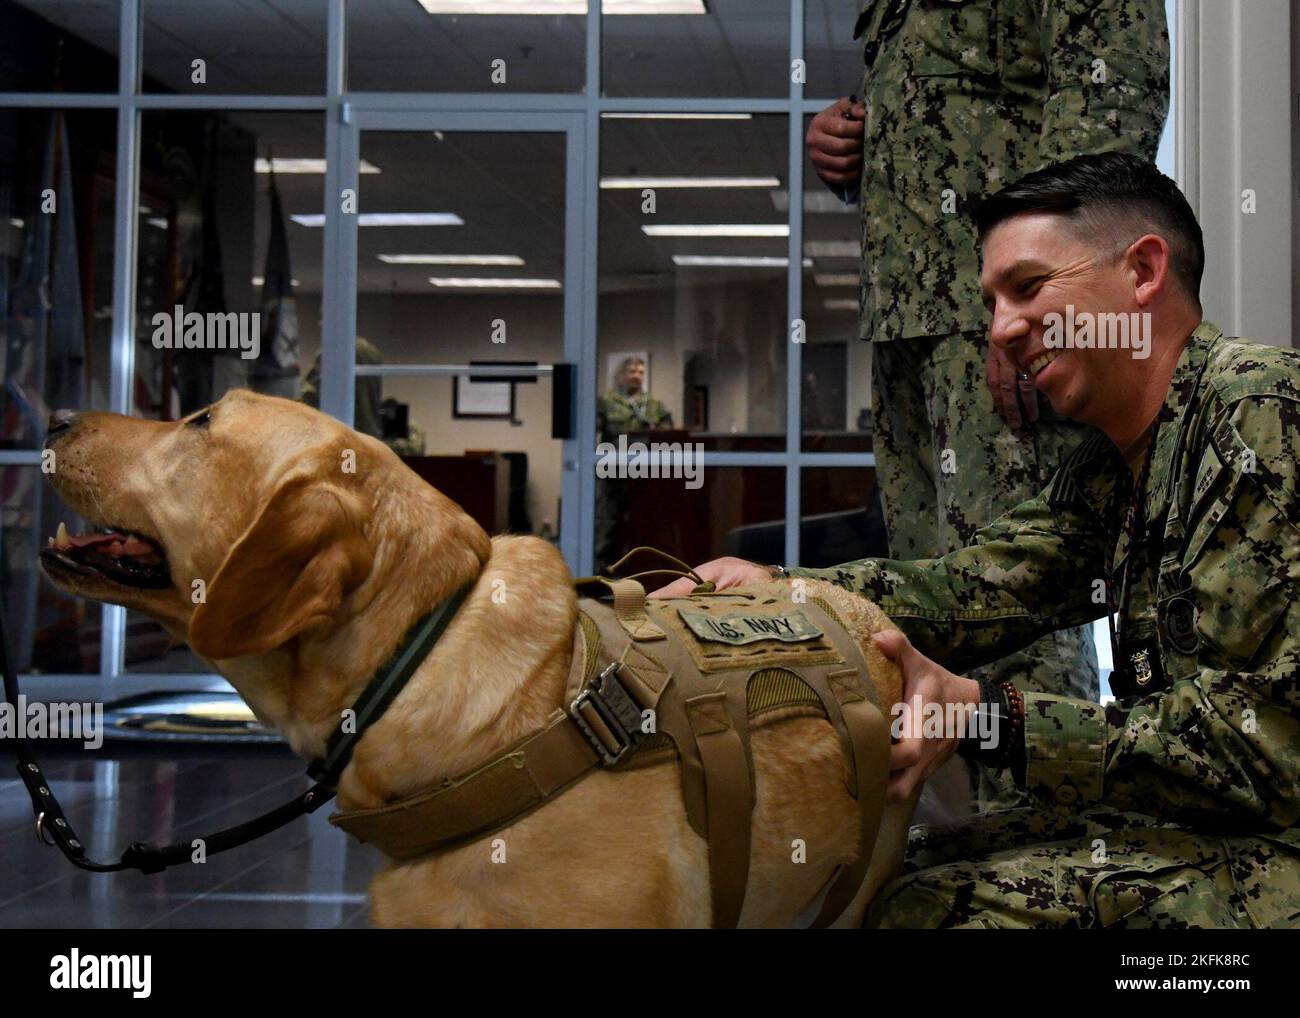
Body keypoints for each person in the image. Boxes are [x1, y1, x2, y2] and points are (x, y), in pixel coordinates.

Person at [655, 153, 1300, 927]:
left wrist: (985, 716)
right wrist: (779, 591)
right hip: (1204, 831)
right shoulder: (1118, 461)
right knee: (863, 876)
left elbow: (1267, 753)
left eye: (1028, 289)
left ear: (1143, 271)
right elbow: (975, 590)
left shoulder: (1259, 414)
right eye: (993, 300)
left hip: (1277, 845)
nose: (1002, 330)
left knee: (918, 913)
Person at [805, 0, 1170, 714]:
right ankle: (961, 826)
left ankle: (1041, 824)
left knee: (1012, 621)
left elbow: (1107, 105)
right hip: (908, 322)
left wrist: (1038, 302)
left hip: (995, 327)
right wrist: (847, 147)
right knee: (930, 612)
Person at [595, 356, 674, 571]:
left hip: (643, 471)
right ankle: (604, 570)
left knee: (641, 522)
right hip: (613, 468)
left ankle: (638, 568)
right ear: (621, 376)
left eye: (640, 372)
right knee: (608, 522)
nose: (637, 376)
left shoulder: (653, 403)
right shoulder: (607, 400)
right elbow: (592, 430)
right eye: (632, 372)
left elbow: (669, 427)